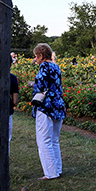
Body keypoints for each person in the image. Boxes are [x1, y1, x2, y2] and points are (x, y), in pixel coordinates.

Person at [32, 43, 66, 180]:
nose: (35, 59)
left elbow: (41, 85)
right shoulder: (56, 66)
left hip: (46, 106)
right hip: (58, 105)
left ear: (41, 55)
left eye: (36, 56)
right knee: (54, 140)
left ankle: (50, 173)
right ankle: (57, 169)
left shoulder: (44, 67)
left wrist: (32, 84)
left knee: (44, 140)